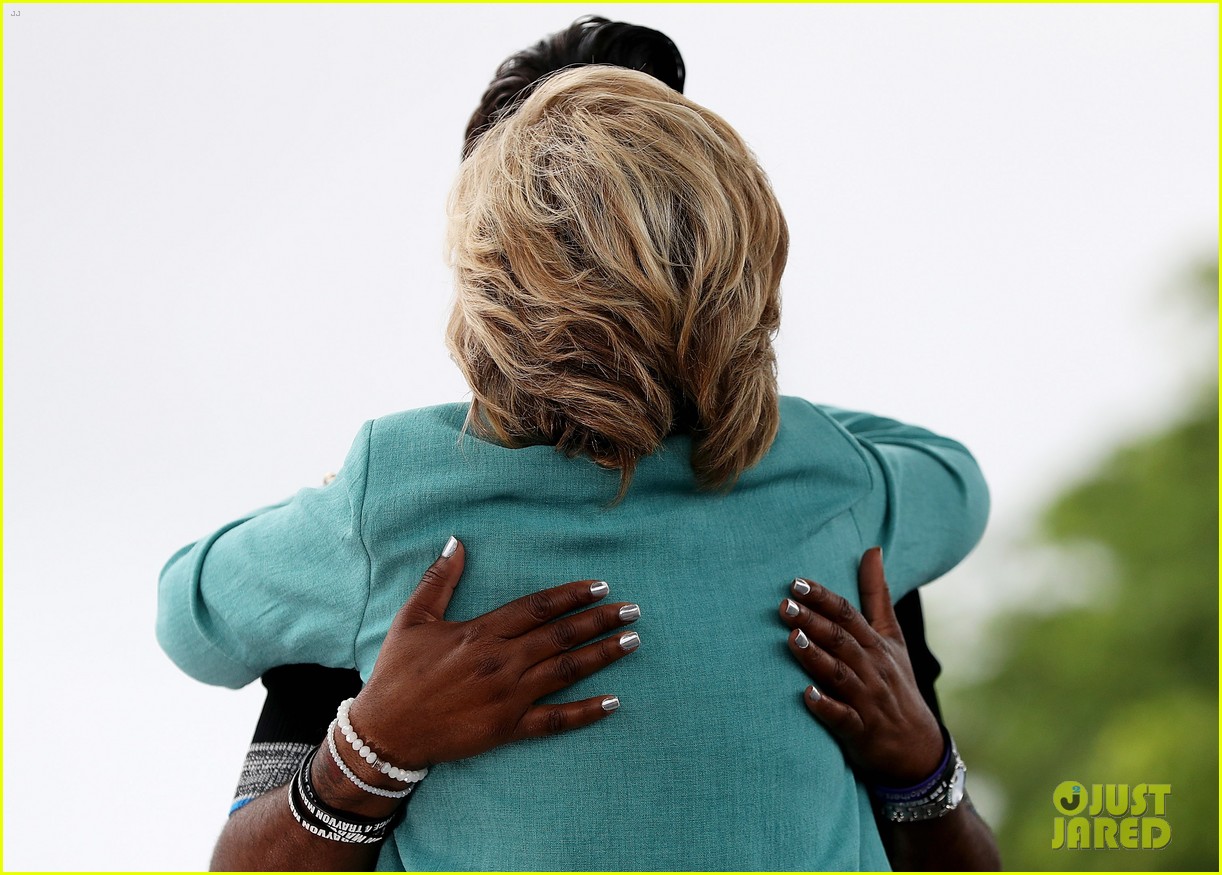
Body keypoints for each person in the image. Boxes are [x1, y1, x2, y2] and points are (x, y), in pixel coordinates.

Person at [158, 60, 992, 870]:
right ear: (735, 254)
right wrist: (721, 377)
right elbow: (952, 475)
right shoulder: (830, 488)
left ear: (493, 278)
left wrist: (370, 740)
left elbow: (188, 611)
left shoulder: (395, 513)